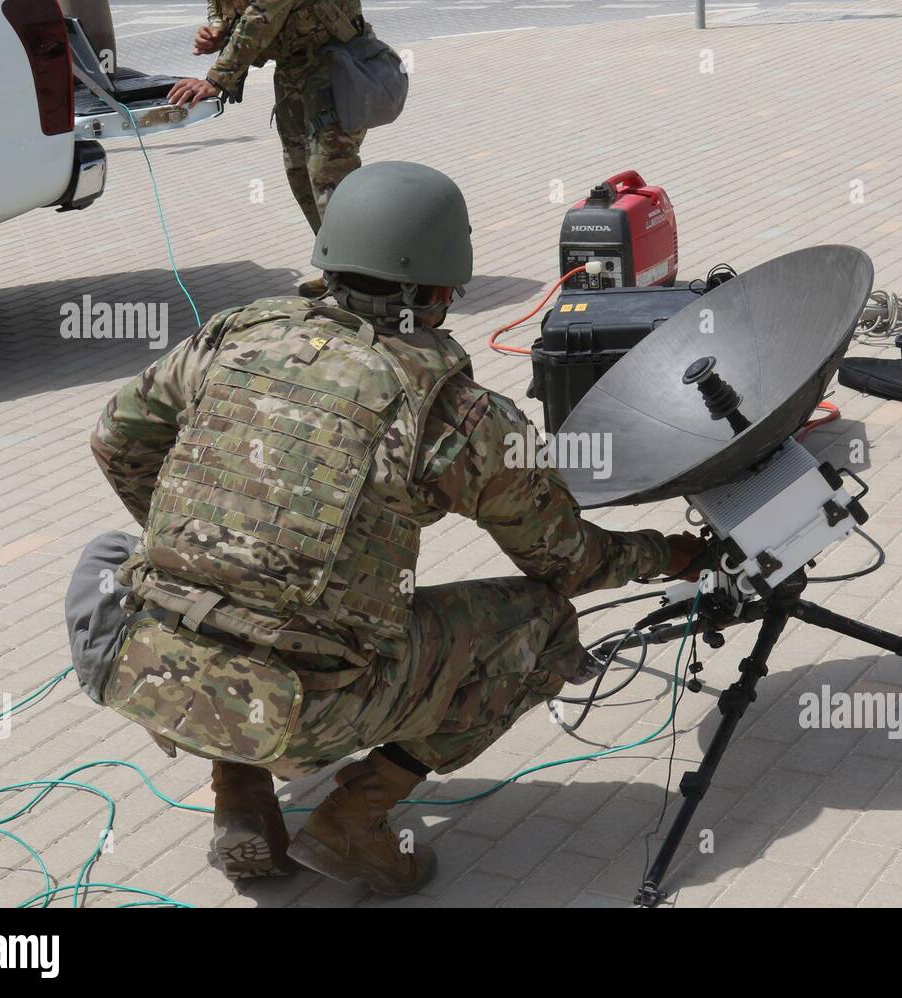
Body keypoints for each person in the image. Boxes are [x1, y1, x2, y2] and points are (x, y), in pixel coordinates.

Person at [81, 161, 705, 896]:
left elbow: (116, 439)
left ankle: (240, 796)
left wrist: (203, 547)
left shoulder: (234, 337)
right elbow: (567, 562)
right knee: (539, 624)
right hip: (309, 705)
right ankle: (355, 816)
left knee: (169, 577)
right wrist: (669, 555)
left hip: (152, 667)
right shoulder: (461, 416)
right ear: (439, 290)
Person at [167, 0, 369, 296]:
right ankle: (339, 270)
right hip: (292, 68)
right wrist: (217, 28)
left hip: (333, 62)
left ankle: (367, 282)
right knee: (299, 169)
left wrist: (217, 79)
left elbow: (260, 16)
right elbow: (222, 5)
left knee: (328, 172)